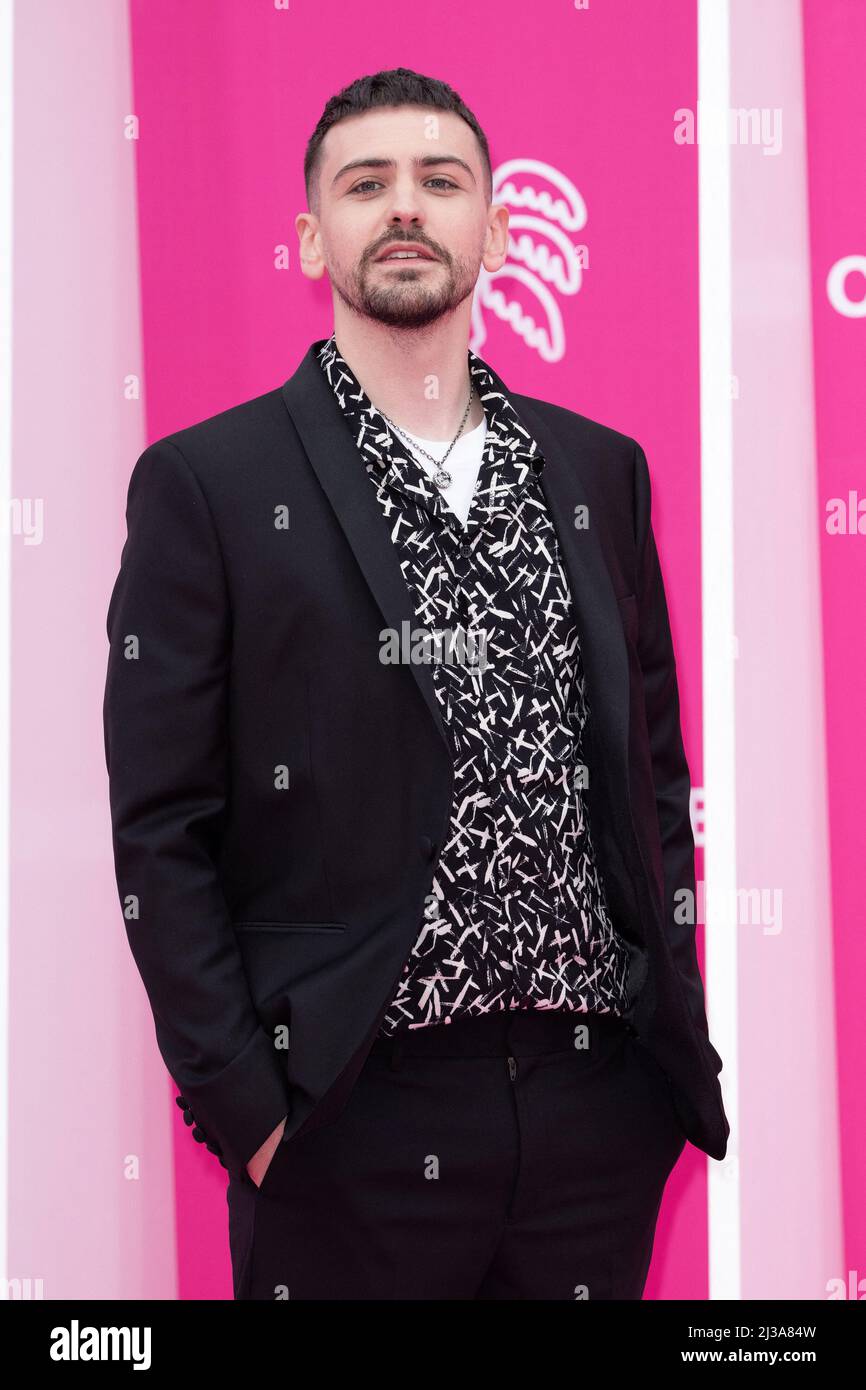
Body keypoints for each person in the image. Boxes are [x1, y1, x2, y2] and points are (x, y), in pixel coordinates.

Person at [103, 67, 729, 1301]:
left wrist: (667, 1048)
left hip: (591, 1115)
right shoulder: (210, 484)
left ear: (494, 228)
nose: (404, 208)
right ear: (308, 236)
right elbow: (159, 825)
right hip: (344, 1119)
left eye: (440, 182)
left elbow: (649, 774)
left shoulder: (598, 470)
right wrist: (248, 1104)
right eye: (365, 184)